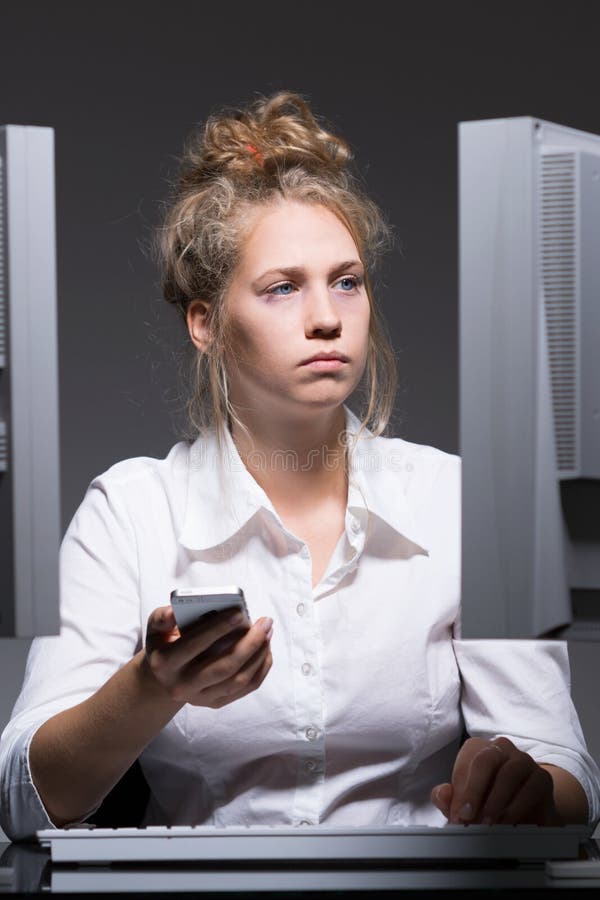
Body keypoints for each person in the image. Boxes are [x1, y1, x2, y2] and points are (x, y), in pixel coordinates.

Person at [1, 91, 599, 842]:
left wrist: (530, 788)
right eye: (283, 287)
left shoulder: (460, 502)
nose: (327, 316)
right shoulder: (130, 512)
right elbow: (25, 799)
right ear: (205, 322)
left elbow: (565, 770)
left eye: (346, 281)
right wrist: (149, 689)